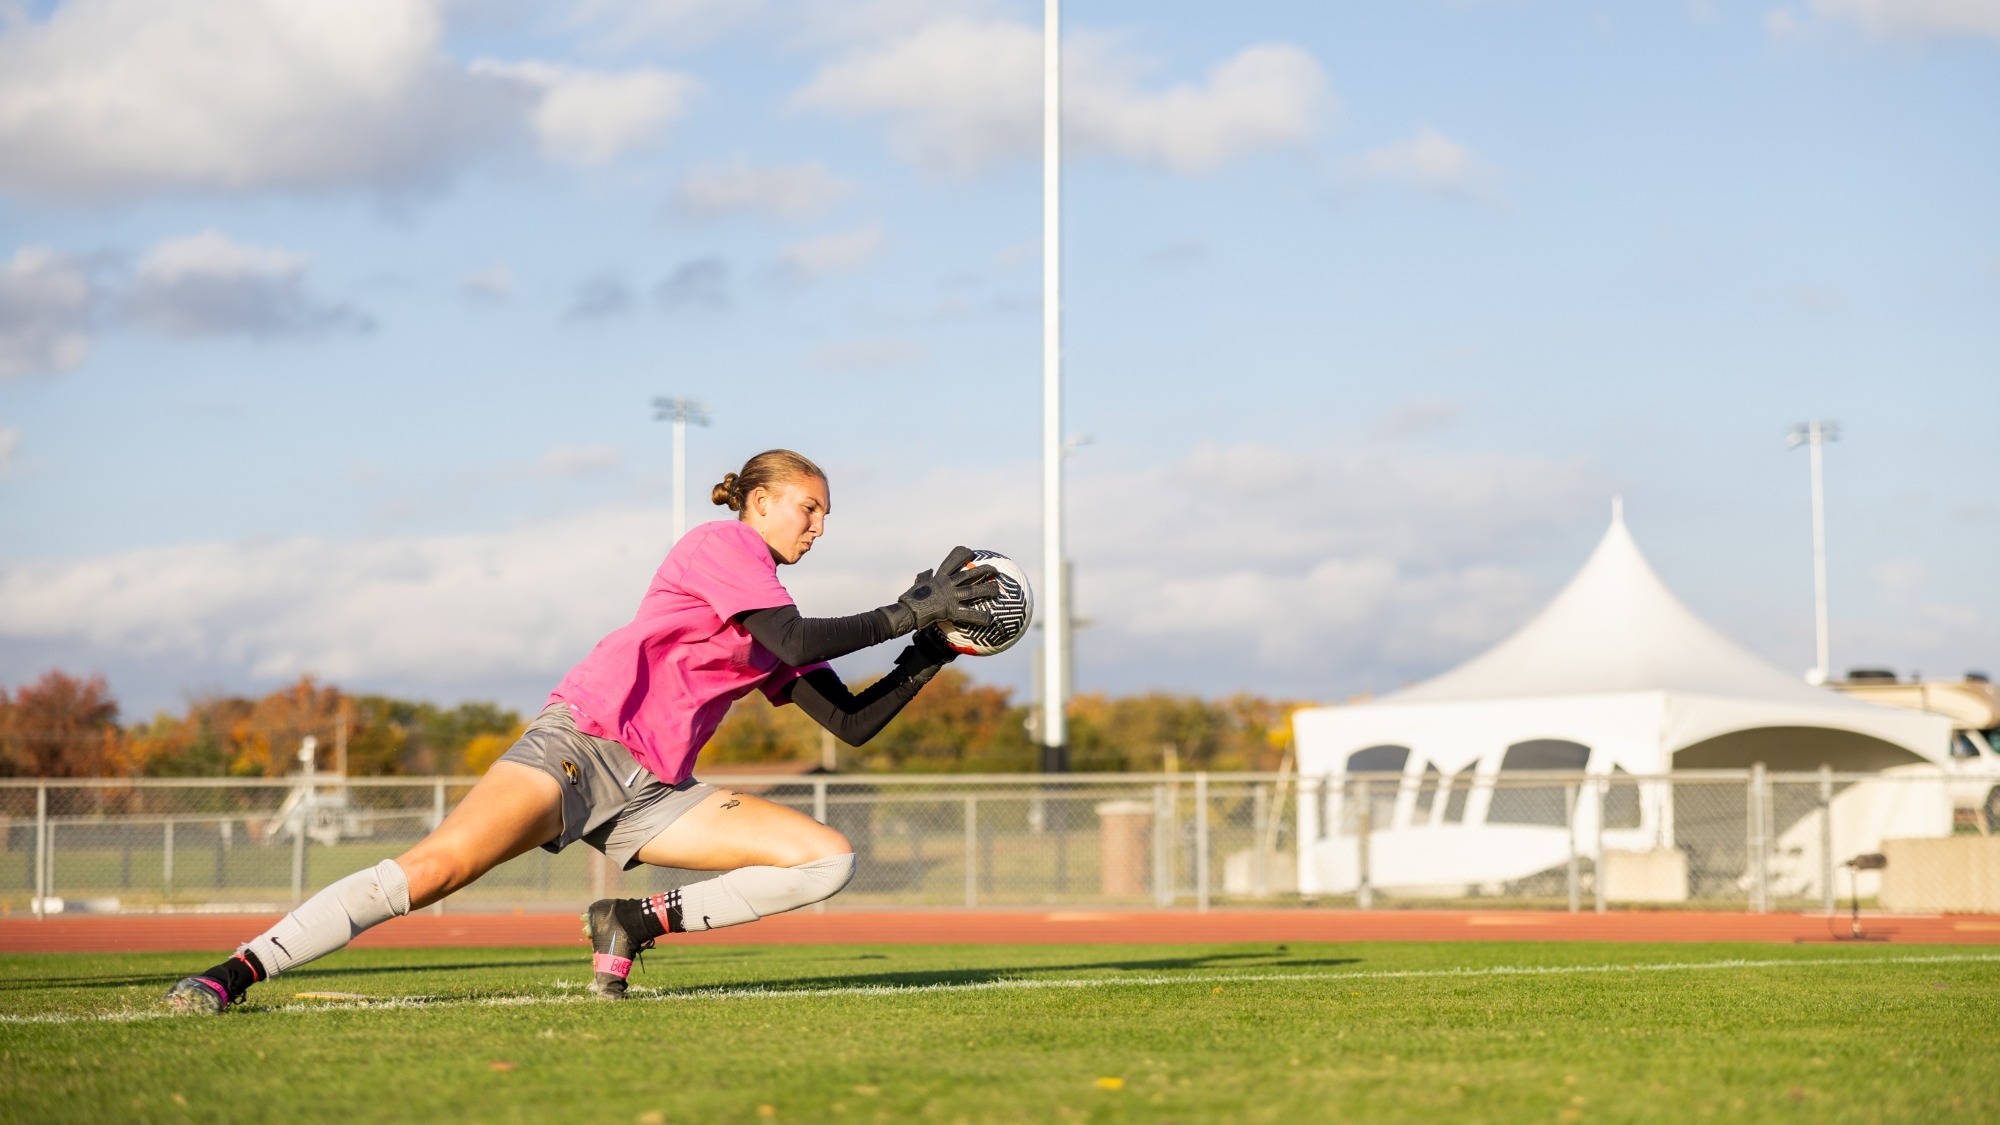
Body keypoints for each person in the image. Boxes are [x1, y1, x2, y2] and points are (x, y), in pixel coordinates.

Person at [165, 449, 998, 1012]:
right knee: (435, 869)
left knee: (828, 858)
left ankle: (631, 920)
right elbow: (795, 639)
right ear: (758, 502)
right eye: (807, 508)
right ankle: (238, 969)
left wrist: (927, 650)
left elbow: (848, 721)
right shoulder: (721, 545)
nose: (818, 526)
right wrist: (904, 609)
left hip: (657, 790)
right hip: (584, 745)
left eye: (825, 515)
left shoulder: (768, 604)